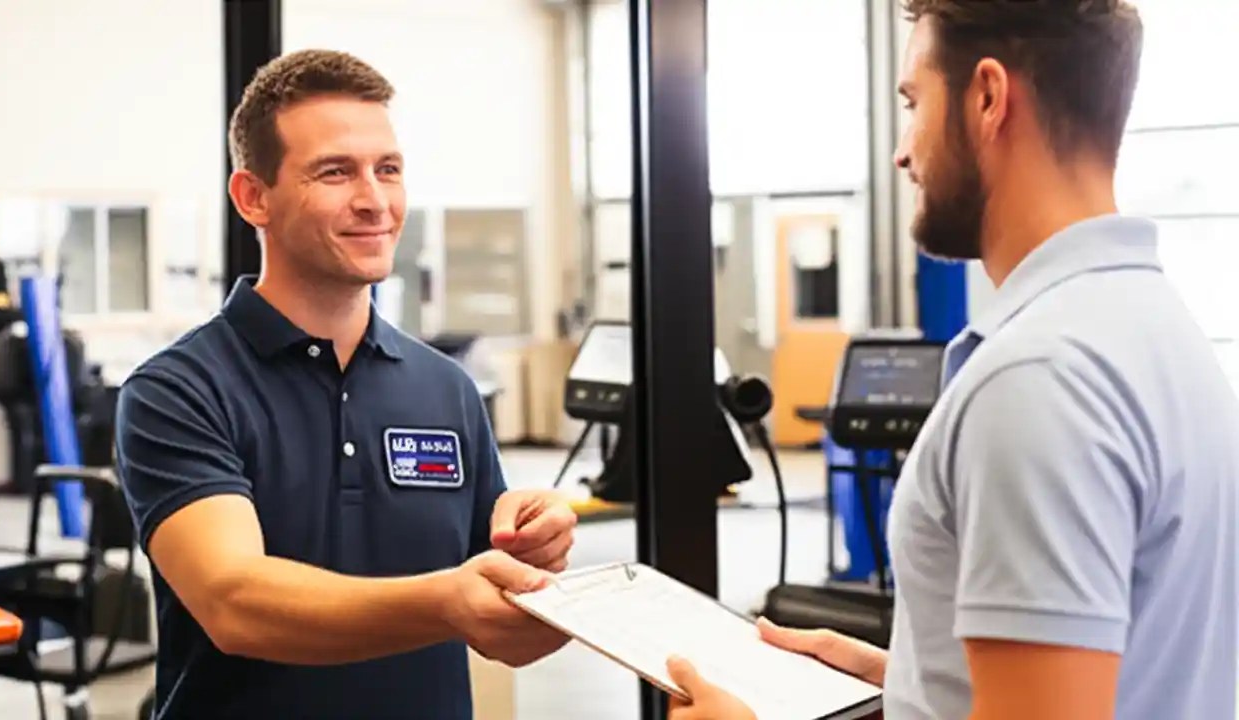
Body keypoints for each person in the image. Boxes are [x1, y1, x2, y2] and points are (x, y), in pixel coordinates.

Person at [665, 2, 1239, 719]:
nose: (903, 151)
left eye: (914, 103)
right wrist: (908, 680)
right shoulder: (1156, 332)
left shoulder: (1039, 380)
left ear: (988, 98)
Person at [115, 49, 577, 720]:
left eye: (387, 170)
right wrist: (447, 600)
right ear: (254, 198)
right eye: (335, 172)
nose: (374, 201)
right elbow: (235, 603)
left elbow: (504, 628)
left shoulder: (446, 390)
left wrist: (539, 546)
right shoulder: (179, 391)